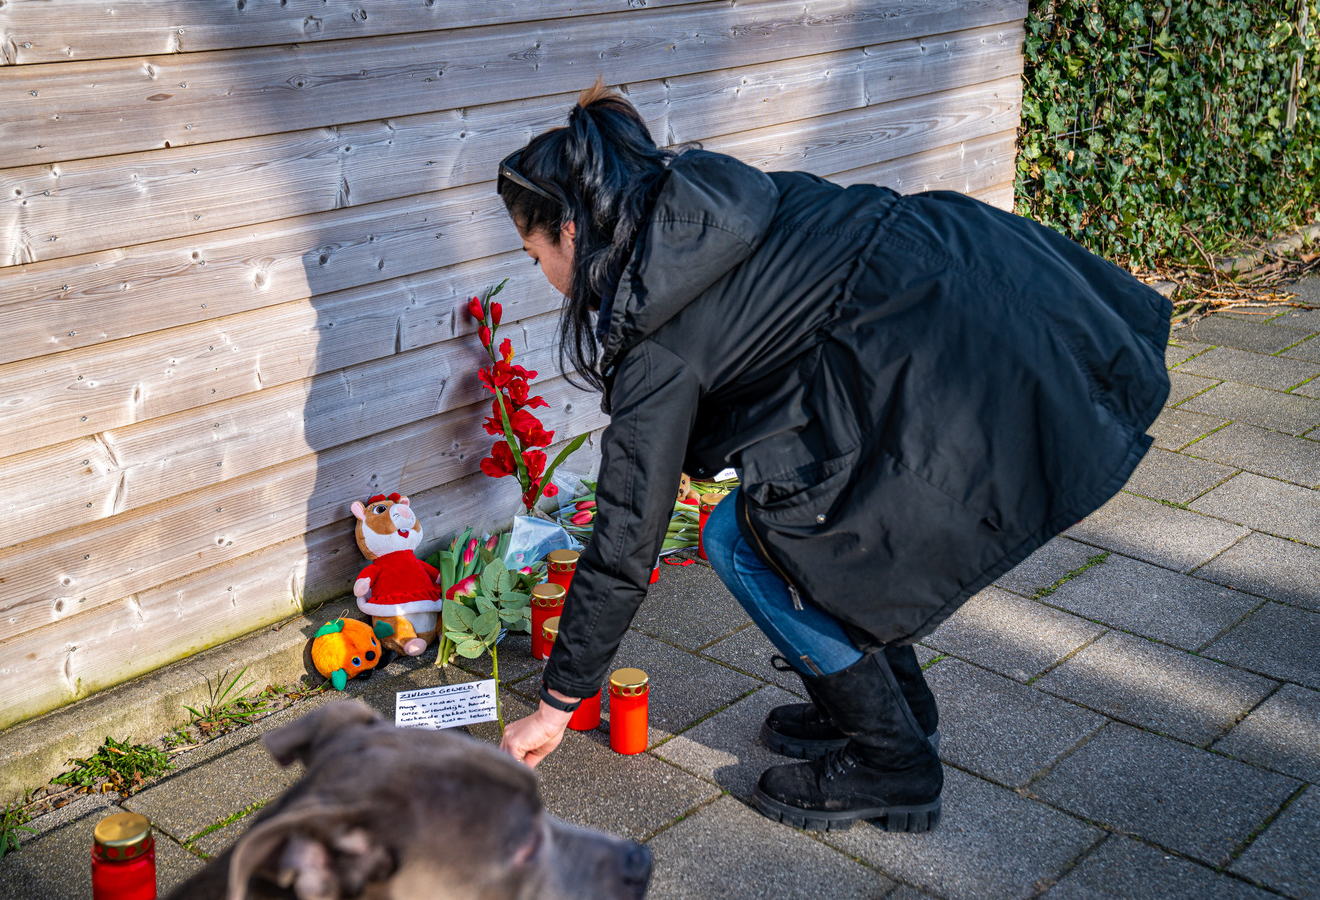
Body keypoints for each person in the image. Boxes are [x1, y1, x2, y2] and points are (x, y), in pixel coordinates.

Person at [496, 83, 1170, 833]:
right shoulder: (707, 209)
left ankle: (893, 764)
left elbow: (627, 534)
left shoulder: (660, 333)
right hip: (990, 291)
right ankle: (893, 713)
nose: (545, 279)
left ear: (569, 229)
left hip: (961, 365)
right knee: (818, 524)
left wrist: (554, 707)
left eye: (534, 258)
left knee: (742, 543)